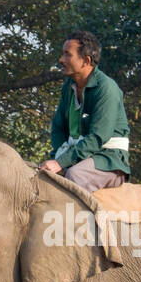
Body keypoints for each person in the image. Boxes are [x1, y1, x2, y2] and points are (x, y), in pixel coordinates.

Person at [40, 30, 130, 191]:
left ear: (86, 61)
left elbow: (97, 138)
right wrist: (58, 158)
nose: (61, 59)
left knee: (75, 176)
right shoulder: (68, 87)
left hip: (108, 160)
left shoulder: (106, 88)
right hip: (81, 156)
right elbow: (58, 128)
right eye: (62, 54)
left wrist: (61, 163)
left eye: (68, 55)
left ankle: (82, 217)